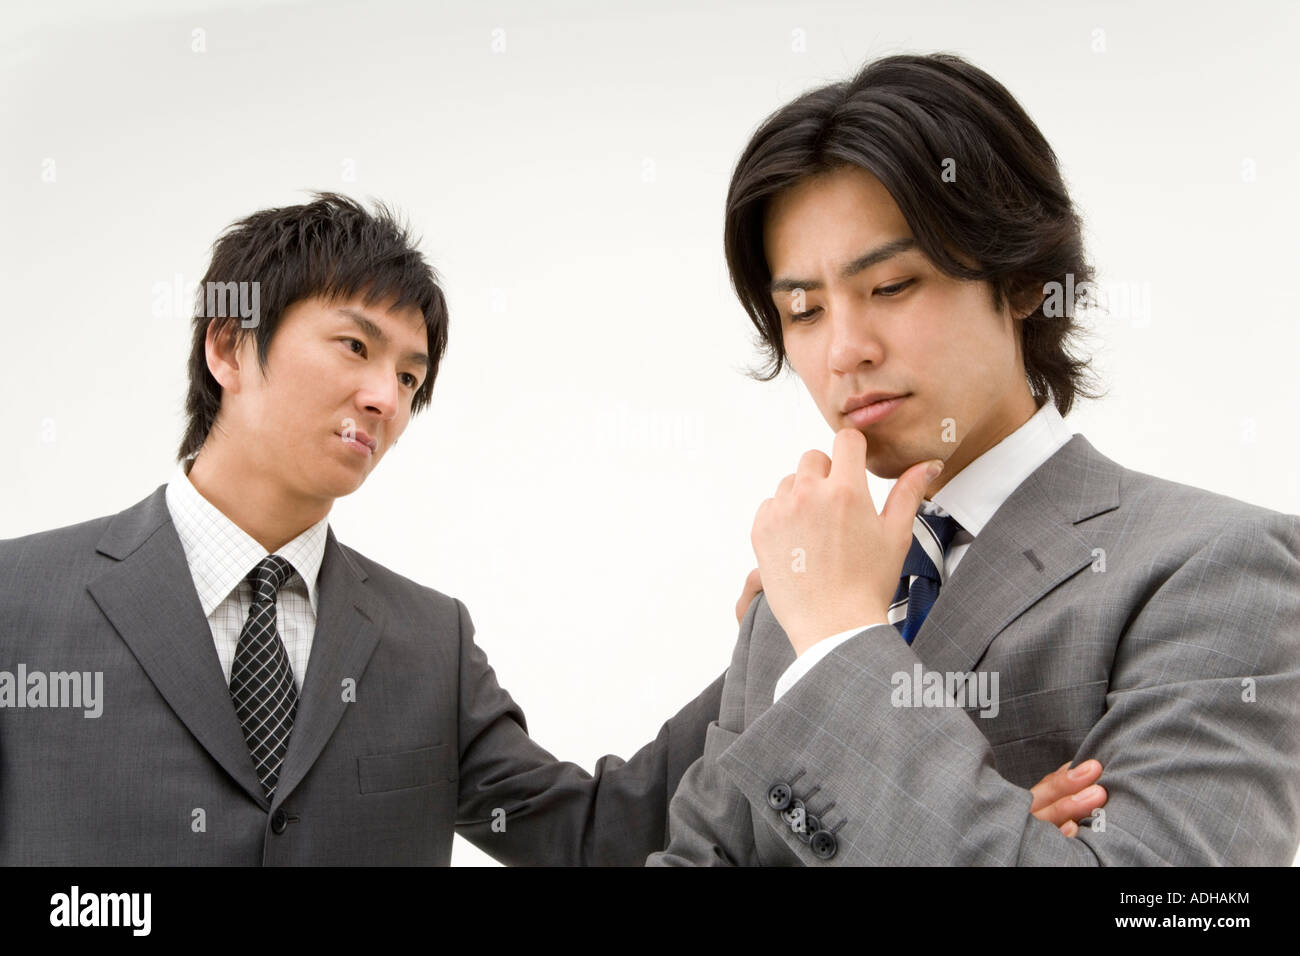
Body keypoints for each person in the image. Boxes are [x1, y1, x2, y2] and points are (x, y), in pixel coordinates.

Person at [0, 193, 1104, 866]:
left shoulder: (420, 641)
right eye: (353, 346)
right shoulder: (20, 601)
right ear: (227, 348)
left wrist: (797, 639)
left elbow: (593, 838)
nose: (386, 394)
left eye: (411, 372)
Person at [650, 52, 1300, 866]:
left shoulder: (1218, 567)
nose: (845, 350)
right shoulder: (798, 597)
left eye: (891, 286)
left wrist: (843, 643)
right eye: (804, 309)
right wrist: (997, 835)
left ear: (1024, 278)